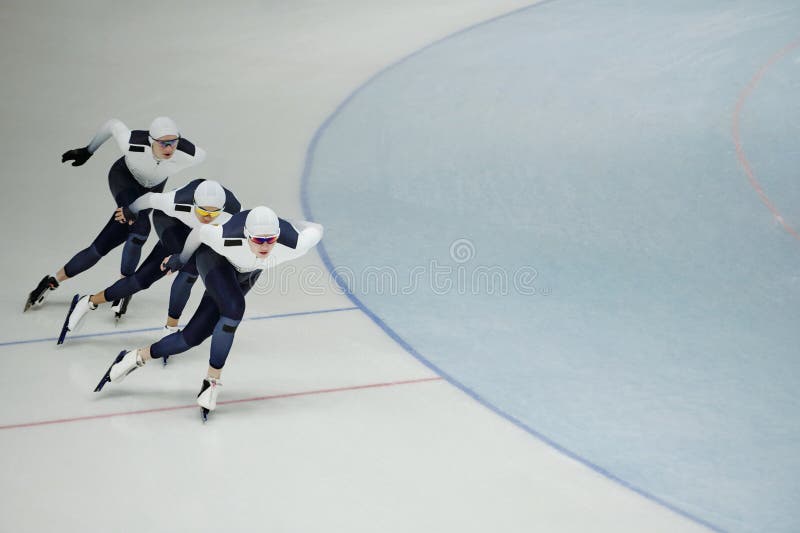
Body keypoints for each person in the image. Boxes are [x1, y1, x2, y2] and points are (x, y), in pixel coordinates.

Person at [94, 206, 324, 421]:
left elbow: (317, 229)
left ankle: (134, 357)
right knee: (234, 309)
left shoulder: (295, 243)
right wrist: (181, 259)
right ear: (246, 235)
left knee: (192, 337)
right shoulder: (226, 237)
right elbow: (200, 233)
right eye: (258, 240)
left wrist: (290, 225)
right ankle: (211, 382)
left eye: (270, 240)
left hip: (247, 273)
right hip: (214, 259)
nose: (265, 246)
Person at [24, 117, 206, 315]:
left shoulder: (190, 154)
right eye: (164, 143)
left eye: (173, 142)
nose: (169, 148)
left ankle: (53, 280)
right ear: (151, 140)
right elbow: (112, 124)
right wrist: (88, 150)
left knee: (102, 246)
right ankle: (123, 289)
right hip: (124, 179)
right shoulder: (133, 142)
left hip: (149, 192)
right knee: (140, 226)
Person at [57, 179, 241, 346]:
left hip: (199, 235)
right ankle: (89, 301)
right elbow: (151, 198)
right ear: (194, 204)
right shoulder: (176, 200)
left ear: (223, 208)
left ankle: (170, 328)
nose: (207, 217)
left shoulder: (234, 213)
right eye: (202, 211)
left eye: (214, 213)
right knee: (143, 280)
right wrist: (130, 210)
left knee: (188, 272)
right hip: (170, 222)